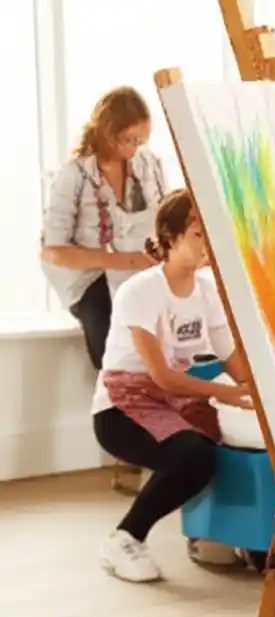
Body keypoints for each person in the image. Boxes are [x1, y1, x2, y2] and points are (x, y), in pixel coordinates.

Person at [94, 189, 254, 583]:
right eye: (199, 234)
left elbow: (237, 366)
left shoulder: (207, 293)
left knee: (236, 443)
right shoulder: (141, 291)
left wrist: (265, 393)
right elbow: (162, 375)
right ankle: (125, 538)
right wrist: (228, 395)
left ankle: (229, 536)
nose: (208, 245)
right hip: (123, 407)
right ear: (170, 236)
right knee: (193, 456)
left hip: (177, 400)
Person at [40, 86, 168, 370]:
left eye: (141, 141)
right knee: (115, 346)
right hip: (91, 277)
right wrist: (121, 260)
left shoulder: (149, 165)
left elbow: (164, 216)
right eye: (128, 140)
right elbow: (53, 251)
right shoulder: (74, 176)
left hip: (139, 269)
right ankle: (119, 403)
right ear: (108, 133)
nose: (135, 148)